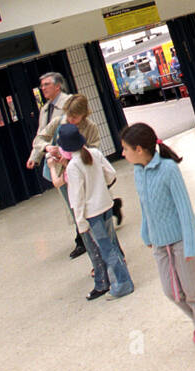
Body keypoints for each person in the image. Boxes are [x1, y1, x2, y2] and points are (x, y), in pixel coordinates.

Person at [121, 123, 195, 356]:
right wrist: (146, 232)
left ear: (139, 149)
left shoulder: (168, 169)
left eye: (125, 149)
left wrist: (189, 245)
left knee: (192, 291)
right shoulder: (138, 171)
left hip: (181, 242)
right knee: (172, 292)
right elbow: (145, 204)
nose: (123, 153)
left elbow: (185, 210)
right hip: (160, 244)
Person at [51, 124, 133, 301]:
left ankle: (123, 284)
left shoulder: (73, 167)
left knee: (106, 250)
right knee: (111, 245)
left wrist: (80, 222)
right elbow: (111, 174)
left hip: (92, 214)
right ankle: (122, 280)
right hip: (106, 205)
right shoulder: (94, 153)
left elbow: (77, 198)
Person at [26, 72, 87, 260]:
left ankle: (84, 237)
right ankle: (83, 234)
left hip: (74, 157)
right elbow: (41, 134)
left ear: (58, 86)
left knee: (80, 197)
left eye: (46, 84)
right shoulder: (45, 110)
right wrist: (35, 156)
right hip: (58, 160)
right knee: (70, 201)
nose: (42, 88)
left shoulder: (70, 103)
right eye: (41, 85)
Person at [46, 93, 123, 228]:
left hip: (84, 169)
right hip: (66, 169)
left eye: (74, 117)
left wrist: (68, 157)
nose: (70, 119)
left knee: (85, 204)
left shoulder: (91, 127)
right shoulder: (59, 123)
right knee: (79, 204)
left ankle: (89, 231)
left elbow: (95, 150)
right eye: (68, 115)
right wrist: (47, 148)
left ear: (84, 114)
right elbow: (40, 138)